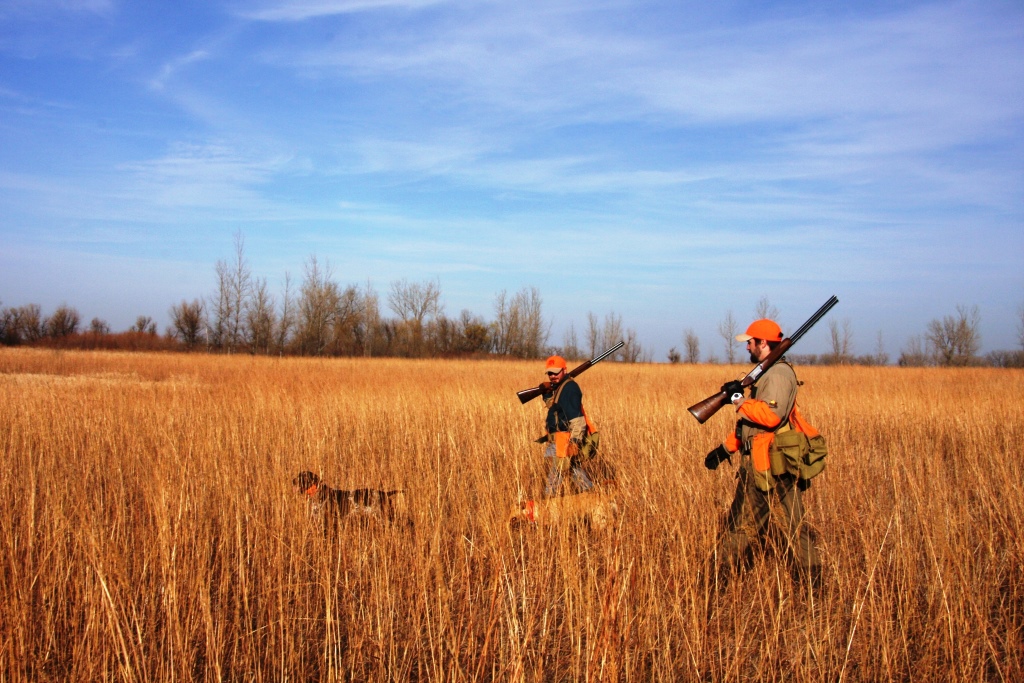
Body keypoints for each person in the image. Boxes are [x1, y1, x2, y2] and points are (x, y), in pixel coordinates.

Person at [704, 318, 822, 582]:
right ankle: (814, 586)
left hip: (767, 463)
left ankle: (712, 581)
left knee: (742, 525)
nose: (748, 348)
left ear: (764, 343)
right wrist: (726, 449)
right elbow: (751, 425)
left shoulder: (778, 374)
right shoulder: (767, 373)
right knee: (794, 526)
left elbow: (770, 416)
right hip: (769, 459)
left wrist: (737, 399)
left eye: (751, 343)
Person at [540, 355, 595, 497]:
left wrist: (574, 442)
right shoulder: (560, 387)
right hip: (557, 439)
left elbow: (578, 420)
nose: (552, 376)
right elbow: (556, 407)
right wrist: (546, 394)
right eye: (550, 373)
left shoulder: (569, 389)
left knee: (555, 477)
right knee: (574, 471)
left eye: (556, 372)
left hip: (565, 440)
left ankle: (549, 504)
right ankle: (593, 497)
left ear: (564, 370)